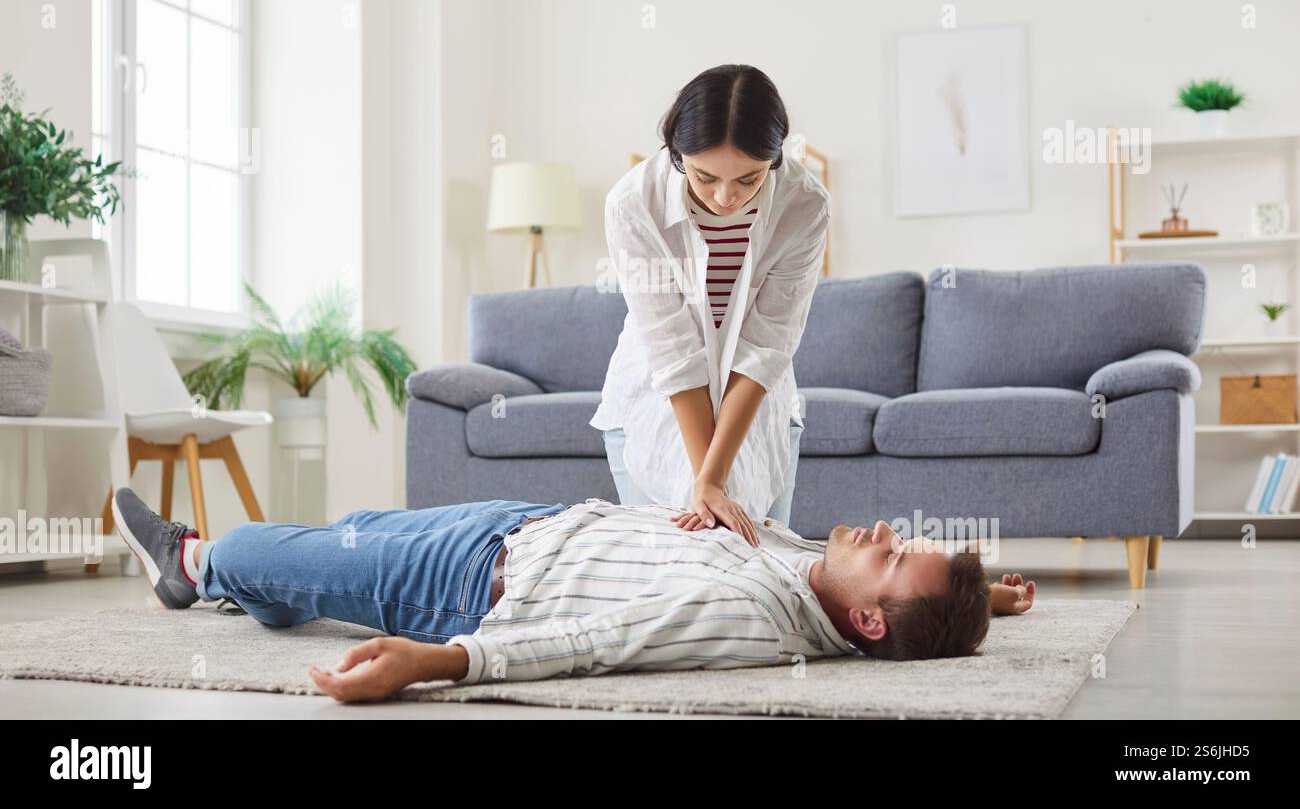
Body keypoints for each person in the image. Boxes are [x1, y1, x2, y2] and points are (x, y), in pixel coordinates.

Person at [110, 487, 1035, 704]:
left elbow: (597, 644)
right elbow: (891, 607)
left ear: (866, 619)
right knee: (346, 532)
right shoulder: (817, 581)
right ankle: (268, 590)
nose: (882, 532)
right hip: (529, 522)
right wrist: (976, 600)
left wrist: (436, 662)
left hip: (468, 586)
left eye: (891, 557)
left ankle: (191, 565)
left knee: (257, 546)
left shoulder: (749, 618)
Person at [592, 64, 831, 545]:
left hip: (756, 408)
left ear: (774, 159)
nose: (725, 197)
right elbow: (674, 351)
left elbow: (765, 346)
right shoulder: (633, 204)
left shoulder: (804, 205)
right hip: (657, 400)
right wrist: (708, 484)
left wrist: (713, 478)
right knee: (669, 568)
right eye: (704, 177)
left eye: (749, 178)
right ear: (676, 153)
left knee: (768, 565)